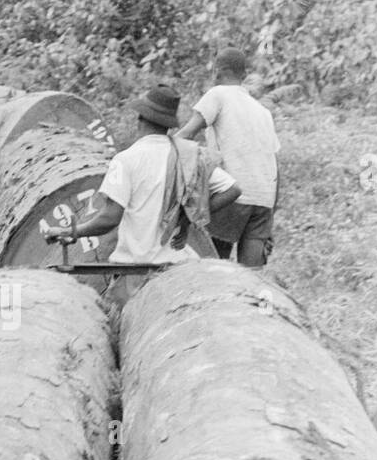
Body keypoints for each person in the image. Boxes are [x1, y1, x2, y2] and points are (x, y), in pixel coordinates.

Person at [43, 84, 241, 304]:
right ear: (168, 125)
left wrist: (73, 232)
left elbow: (110, 219)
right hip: (178, 266)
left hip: (136, 269)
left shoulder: (127, 160)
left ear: (140, 120)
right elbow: (232, 190)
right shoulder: (188, 156)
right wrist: (187, 218)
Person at [176, 47, 280, 266]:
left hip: (232, 197)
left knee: (213, 269)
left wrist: (154, 150)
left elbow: (186, 135)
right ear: (243, 75)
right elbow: (274, 167)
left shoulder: (218, 94)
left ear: (217, 71)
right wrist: (270, 214)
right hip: (264, 200)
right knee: (253, 276)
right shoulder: (263, 111)